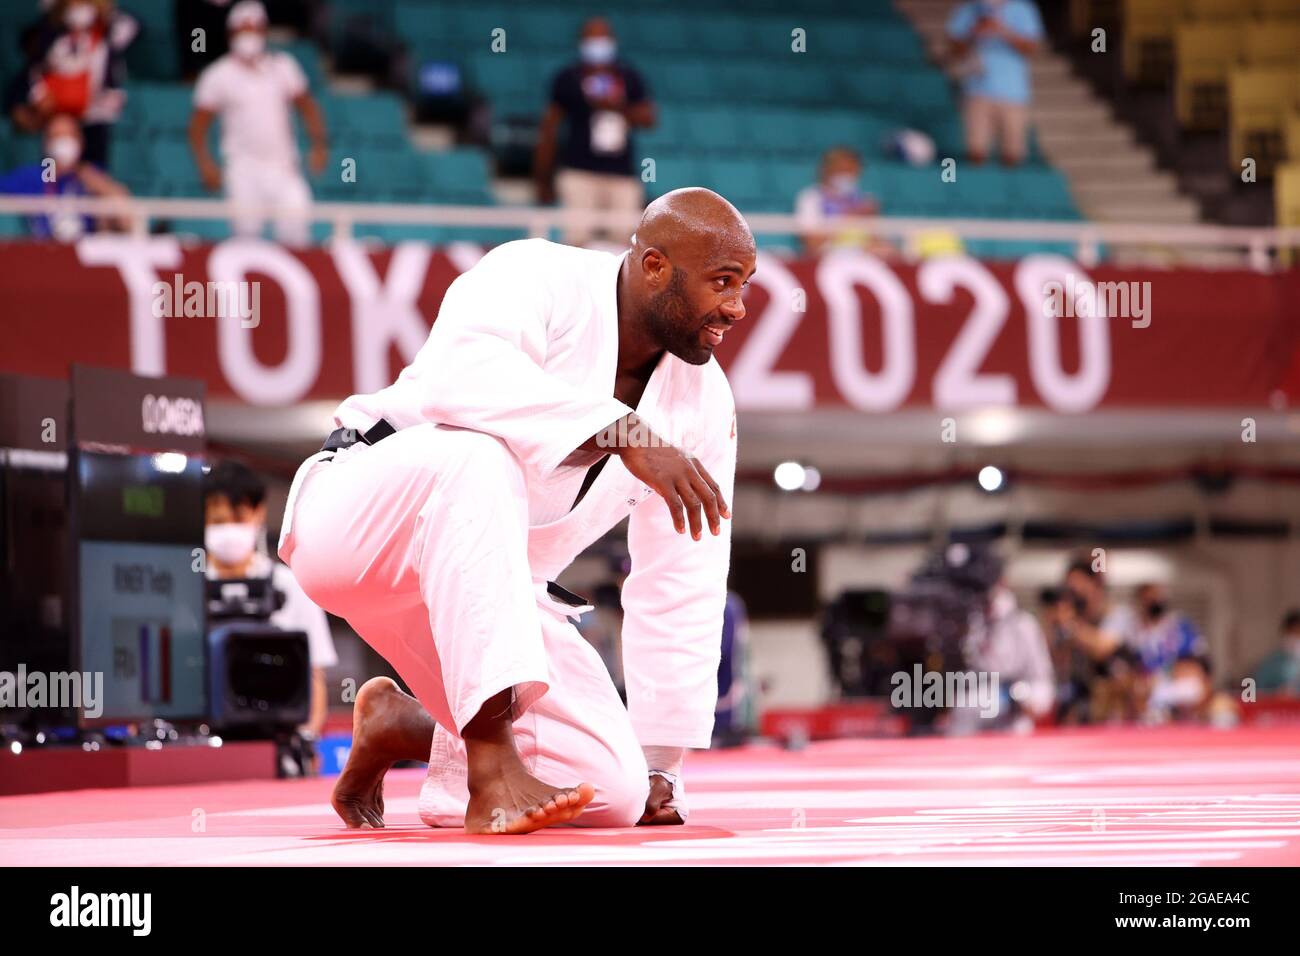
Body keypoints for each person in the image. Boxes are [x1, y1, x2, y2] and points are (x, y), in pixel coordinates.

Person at [278, 188, 752, 835]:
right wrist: (622, 431)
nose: (736, 307)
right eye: (722, 282)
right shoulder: (537, 276)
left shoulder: (703, 404)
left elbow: (682, 577)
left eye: (744, 285)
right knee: (479, 455)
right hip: (360, 529)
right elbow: (457, 376)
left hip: (489, 599)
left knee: (611, 791)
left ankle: (403, 725)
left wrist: (663, 763)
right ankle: (492, 767)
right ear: (654, 268)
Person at [204, 459, 338, 744]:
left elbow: (314, 676)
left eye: (238, 517)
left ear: (258, 513)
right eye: (217, 520)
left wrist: (304, 740)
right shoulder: (185, 589)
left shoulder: (291, 584)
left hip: (276, 739)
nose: (228, 529)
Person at [188, 0, 326, 245]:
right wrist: (205, 164)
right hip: (243, 169)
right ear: (232, 33)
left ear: (264, 31)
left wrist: (318, 146)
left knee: (297, 232)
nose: (249, 34)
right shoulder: (218, 75)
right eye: (244, 28)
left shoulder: (283, 67)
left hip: (284, 168)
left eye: (254, 28)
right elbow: (198, 126)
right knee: (246, 236)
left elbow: (307, 106)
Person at [533, 17, 656, 247]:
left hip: (622, 173)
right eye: (592, 38)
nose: (598, 43)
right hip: (578, 170)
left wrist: (616, 106)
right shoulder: (568, 77)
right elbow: (550, 127)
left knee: (624, 242)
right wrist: (543, 176)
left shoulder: (628, 77)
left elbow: (649, 119)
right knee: (576, 239)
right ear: (581, 42)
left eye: (603, 37)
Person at [8, 0, 137, 169]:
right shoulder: (49, 38)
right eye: (73, 4)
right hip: (55, 115)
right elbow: (32, 71)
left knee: (92, 170)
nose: (79, 8)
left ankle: (81, 183)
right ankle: (51, 184)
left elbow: (131, 27)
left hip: (93, 118)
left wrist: (104, 12)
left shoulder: (105, 35)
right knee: (56, 150)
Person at [0, 112, 131, 240]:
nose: (64, 142)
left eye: (69, 135)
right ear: (46, 144)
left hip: (85, 252)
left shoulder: (92, 175)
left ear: (81, 142)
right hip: (42, 252)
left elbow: (127, 217)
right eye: (57, 136)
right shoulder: (33, 177)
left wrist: (101, 186)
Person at [946, 0, 1043, 166]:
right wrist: (974, 33)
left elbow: (1031, 48)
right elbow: (953, 50)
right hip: (977, 90)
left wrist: (1003, 31)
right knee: (976, 152)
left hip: (1013, 91)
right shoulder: (968, 9)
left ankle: (1013, 190)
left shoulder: (1023, 8)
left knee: (1013, 154)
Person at [794, 146, 888, 257]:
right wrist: (848, 218)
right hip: (827, 259)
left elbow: (877, 240)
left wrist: (871, 218)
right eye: (842, 170)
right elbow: (811, 243)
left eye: (851, 170)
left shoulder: (865, 200)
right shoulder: (811, 198)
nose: (847, 175)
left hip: (863, 258)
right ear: (827, 170)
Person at [1250, 610, 1300, 695]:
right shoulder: (1270, 664)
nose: (1296, 636)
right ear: (1285, 632)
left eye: (1298, 633)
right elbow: (1257, 692)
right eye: (1293, 632)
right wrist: (1276, 694)